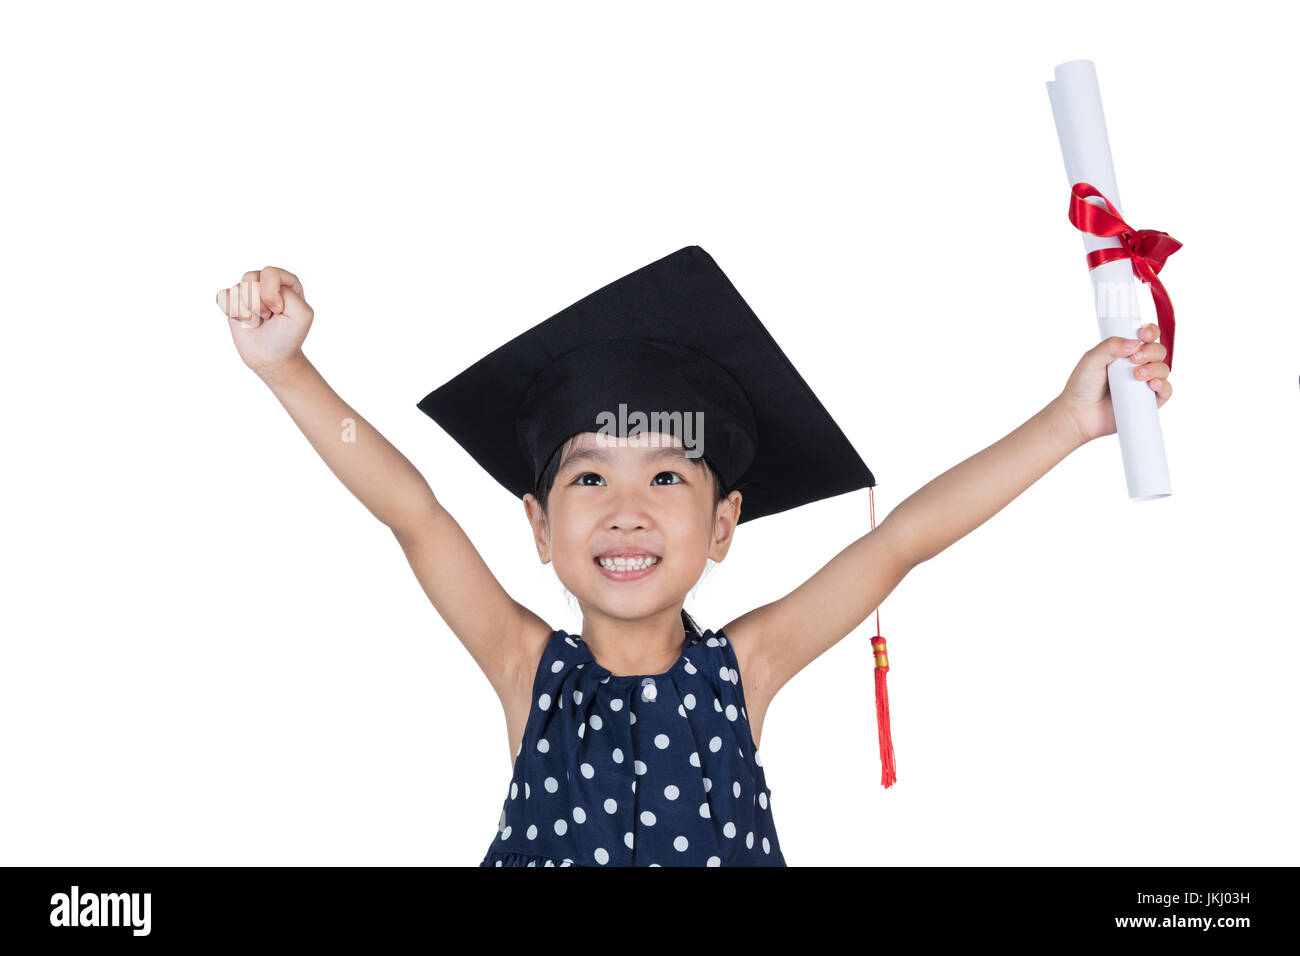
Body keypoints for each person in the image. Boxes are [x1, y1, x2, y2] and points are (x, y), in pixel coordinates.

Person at [215, 247, 1172, 866]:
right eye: (588, 480)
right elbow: (413, 514)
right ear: (539, 529)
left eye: (667, 480)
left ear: (724, 527)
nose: (626, 512)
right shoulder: (528, 672)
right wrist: (288, 368)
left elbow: (899, 545)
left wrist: (1066, 422)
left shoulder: (742, 671)